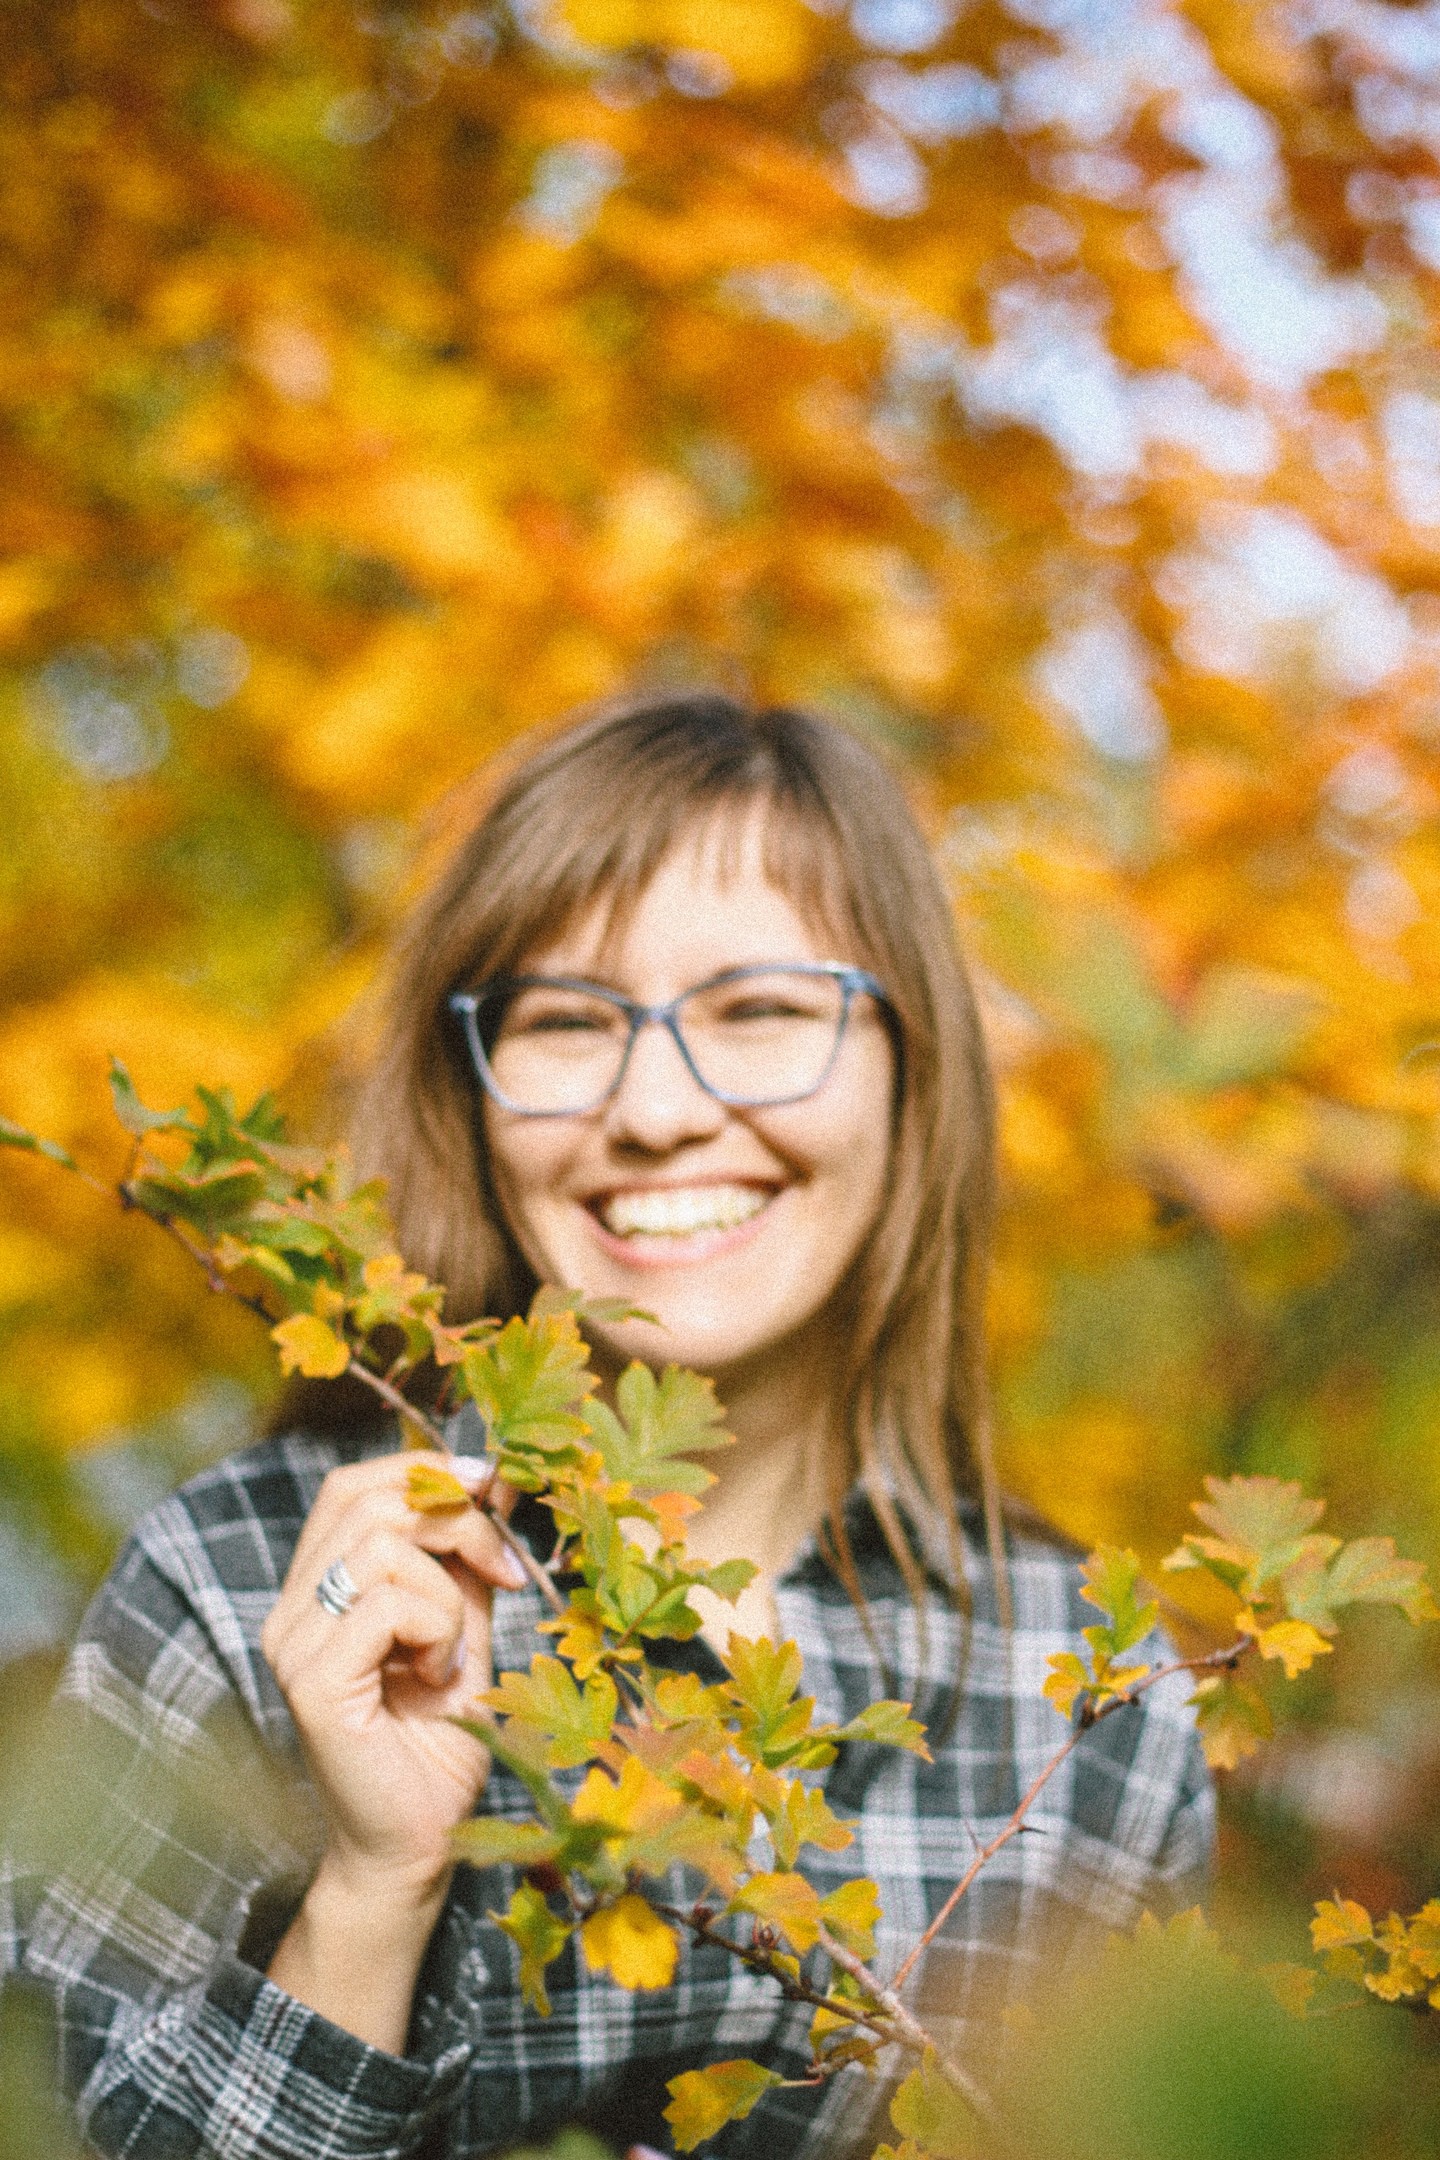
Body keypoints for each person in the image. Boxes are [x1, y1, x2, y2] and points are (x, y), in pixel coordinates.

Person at [1, 694, 1214, 2159]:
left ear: (913, 1072)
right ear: (474, 1094)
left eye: (760, 1010)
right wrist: (374, 1891)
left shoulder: (1087, 1698)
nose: (652, 1108)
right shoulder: (245, 1586)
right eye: (569, 1022)